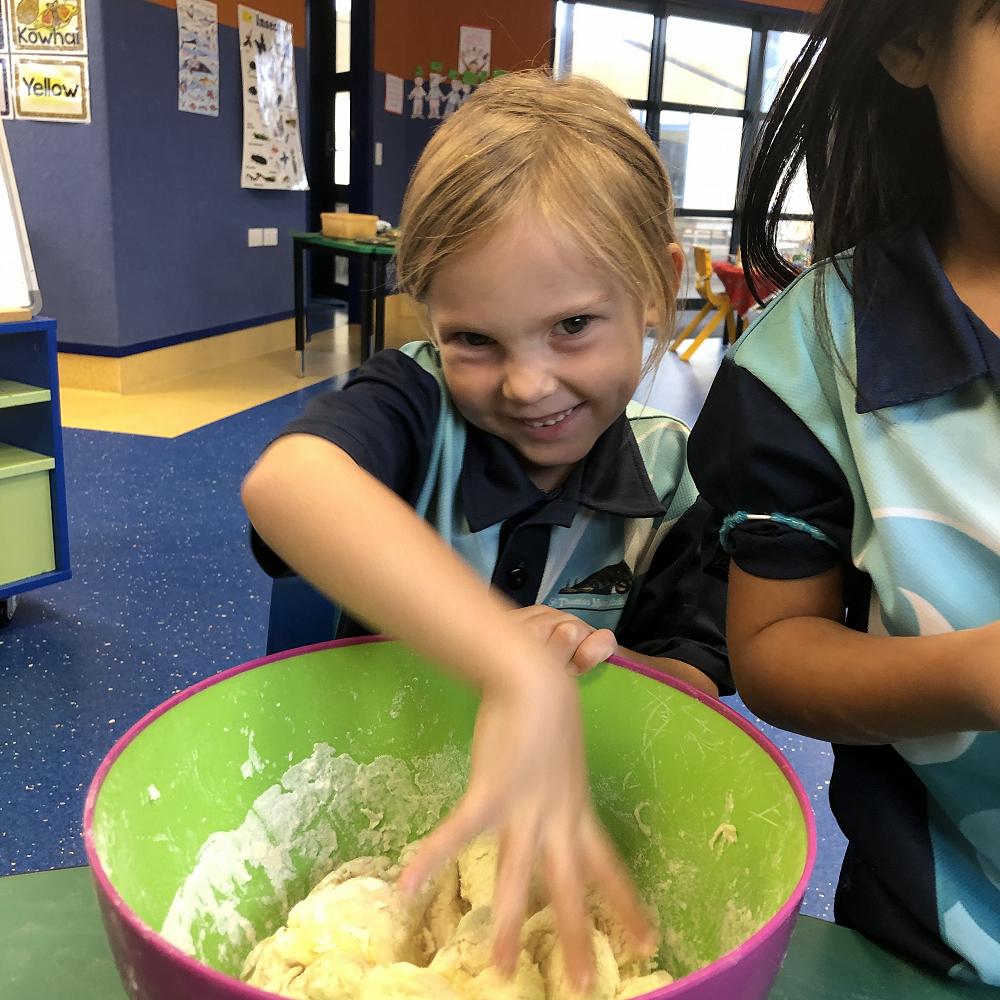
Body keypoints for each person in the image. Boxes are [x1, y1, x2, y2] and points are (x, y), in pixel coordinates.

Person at [243, 70, 728, 991]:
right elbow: (286, 484)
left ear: (659, 289)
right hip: (383, 818)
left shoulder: (680, 486)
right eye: (475, 339)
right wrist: (505, 664)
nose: (527, 385)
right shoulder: (415, 407)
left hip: (574, 832)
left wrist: (585, 667)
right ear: (429, 320)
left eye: (573, 326)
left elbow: (689, 687)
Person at [687, 0, 1000, 985]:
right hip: (940, 944)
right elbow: (776, 649)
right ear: (912, 40)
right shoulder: (809, 362)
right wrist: (970, 675)